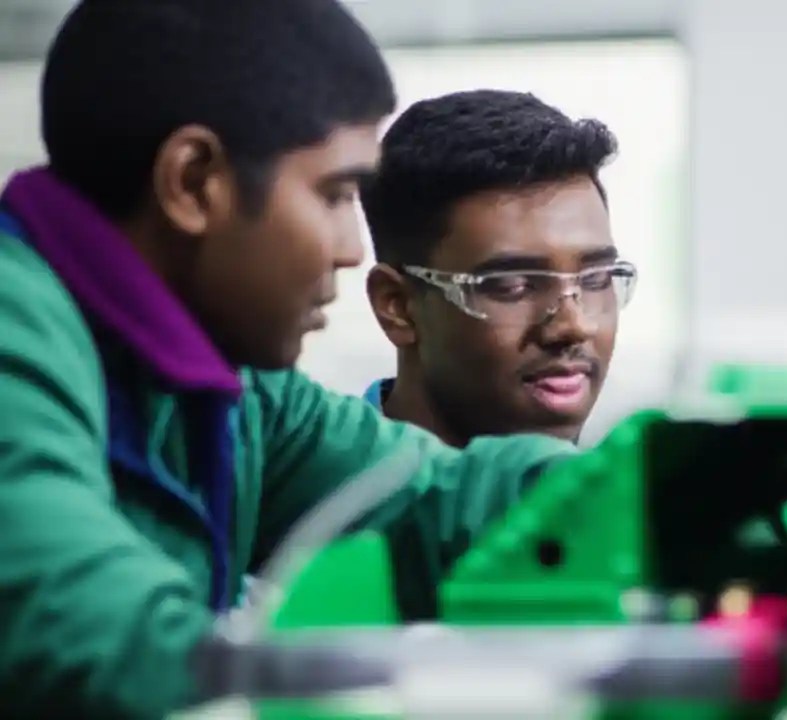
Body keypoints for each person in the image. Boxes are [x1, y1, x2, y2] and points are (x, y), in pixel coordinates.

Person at [0, 2, 576, 717]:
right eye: (335, 195)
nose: (349, 247)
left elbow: (433, 498)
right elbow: (93, 634)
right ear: (192, 181)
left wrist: (649, 498)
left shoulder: (233, 389)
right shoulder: (15, 330)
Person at [359, 90, 636, 446]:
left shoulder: (623, 494)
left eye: (595, 279)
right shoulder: (309, 494)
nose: (573, 325)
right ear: (397, 306)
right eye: (513, 286)